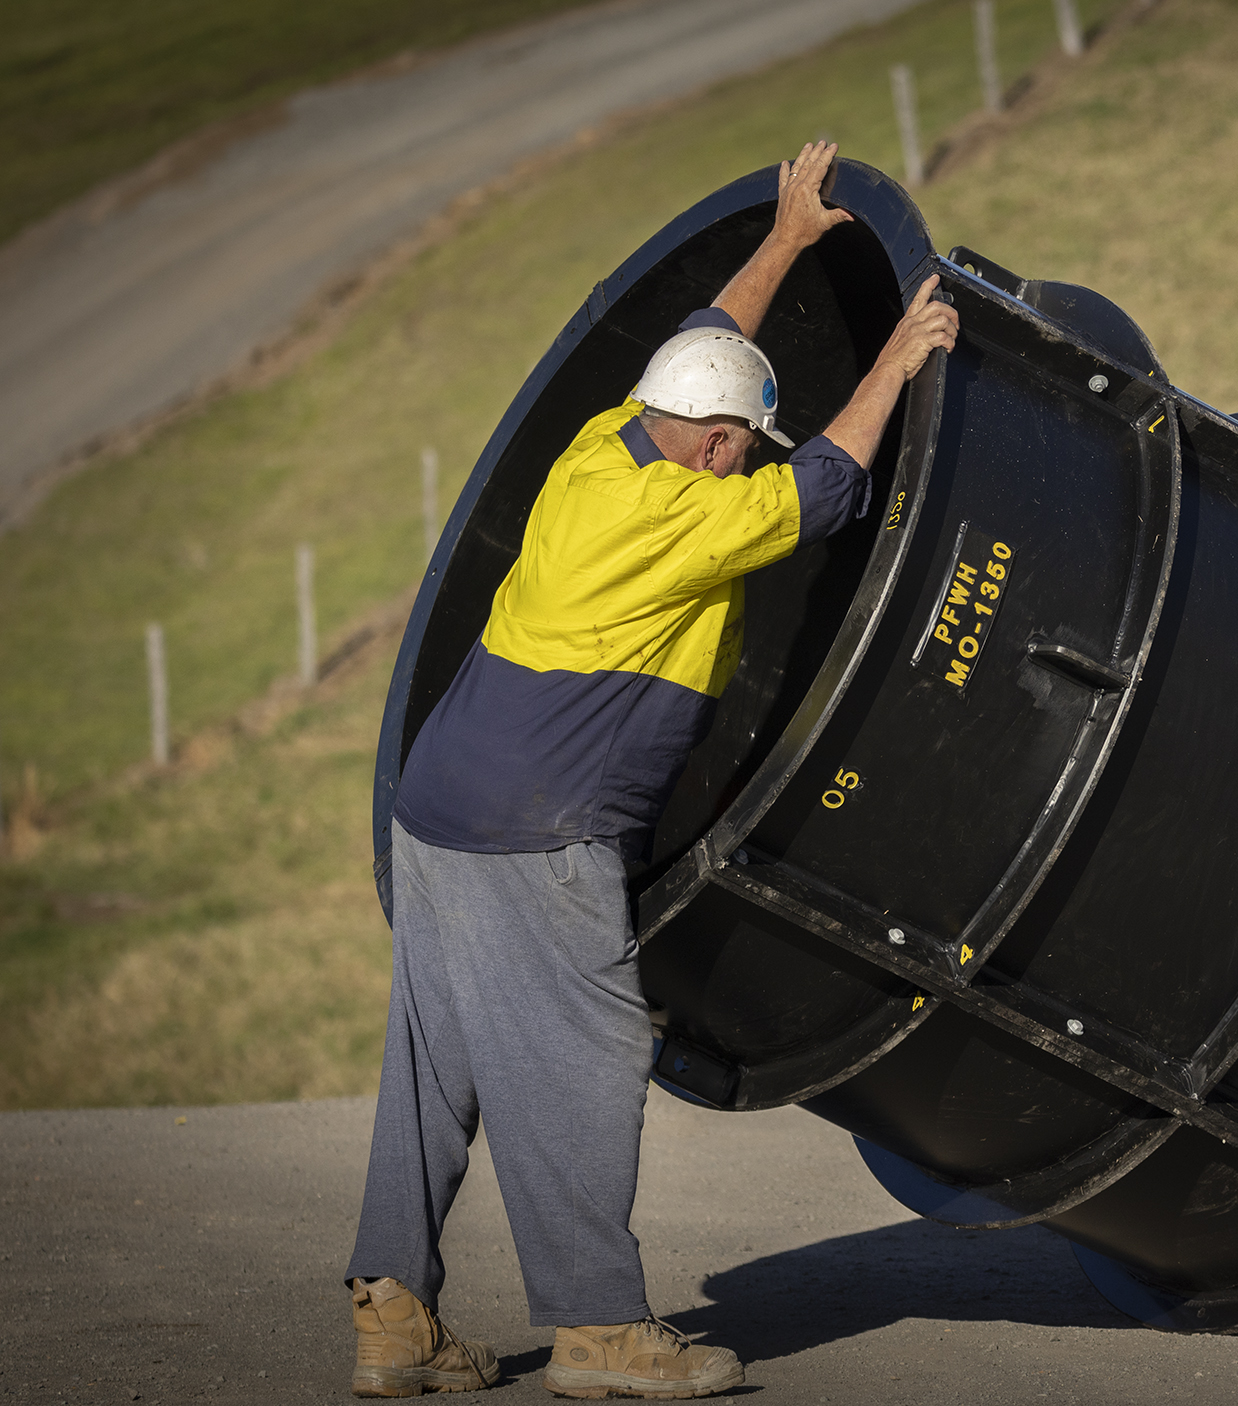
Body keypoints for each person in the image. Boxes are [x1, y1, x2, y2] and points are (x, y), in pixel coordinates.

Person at [341, 140, 959, 1398]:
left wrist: (787, 236)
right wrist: (897, 357)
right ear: (723, 444)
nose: (742, 453)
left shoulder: (603, 449)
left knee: (434, 1058)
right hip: (538, 825)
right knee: (582, 1050)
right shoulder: (692, 511)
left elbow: (696, 344)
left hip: (437, 805)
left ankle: (392, 1313)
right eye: (742, 441)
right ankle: (599, 1333)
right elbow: (831, 484)